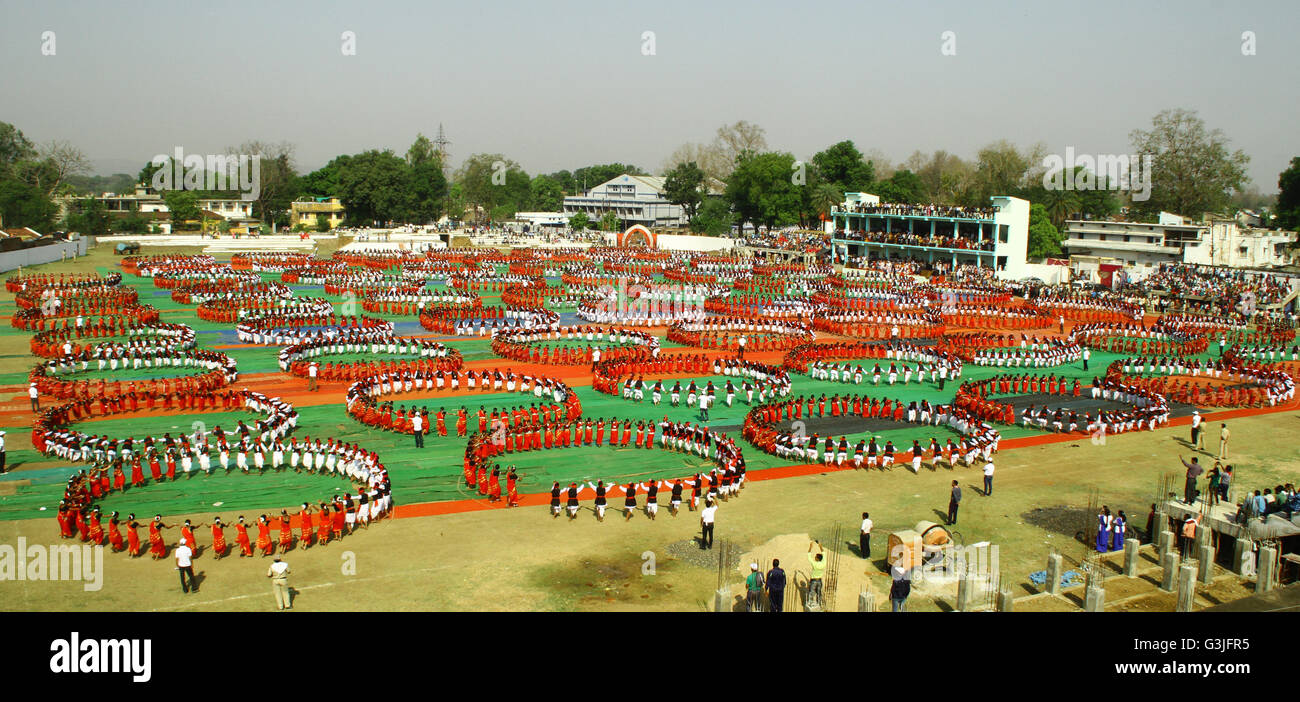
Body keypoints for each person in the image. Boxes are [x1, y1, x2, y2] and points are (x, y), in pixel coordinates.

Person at [806, 541, 826, 608]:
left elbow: (809, 556)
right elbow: (824, 554)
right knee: (819, 593)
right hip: (820, 581)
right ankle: (819, 605)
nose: (815, 557)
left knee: (811, 593)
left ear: (817, 559)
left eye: (815, 557)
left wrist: (810, 547)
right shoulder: (823, 563)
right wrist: (820, 546)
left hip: (814, 581)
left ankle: (811, 605)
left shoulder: (815, 564)